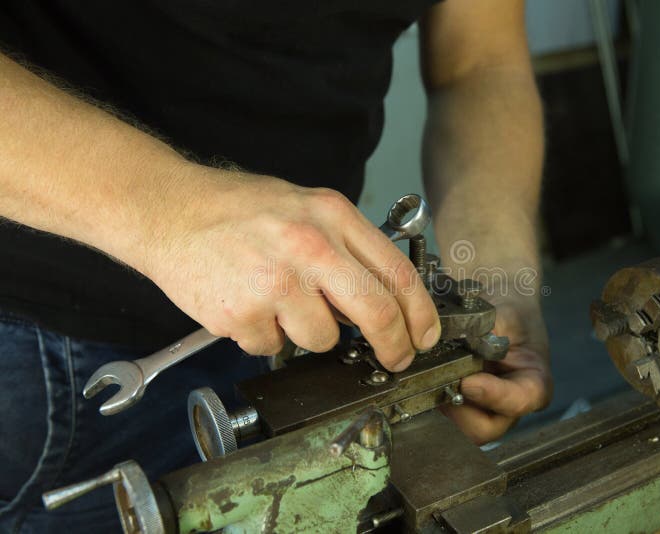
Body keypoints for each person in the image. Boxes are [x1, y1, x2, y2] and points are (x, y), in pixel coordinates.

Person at [0, 1, 551, 530]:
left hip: (296, 331)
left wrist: (494, 283)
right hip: (41, 346)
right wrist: (169, 211)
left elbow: (479, 65)